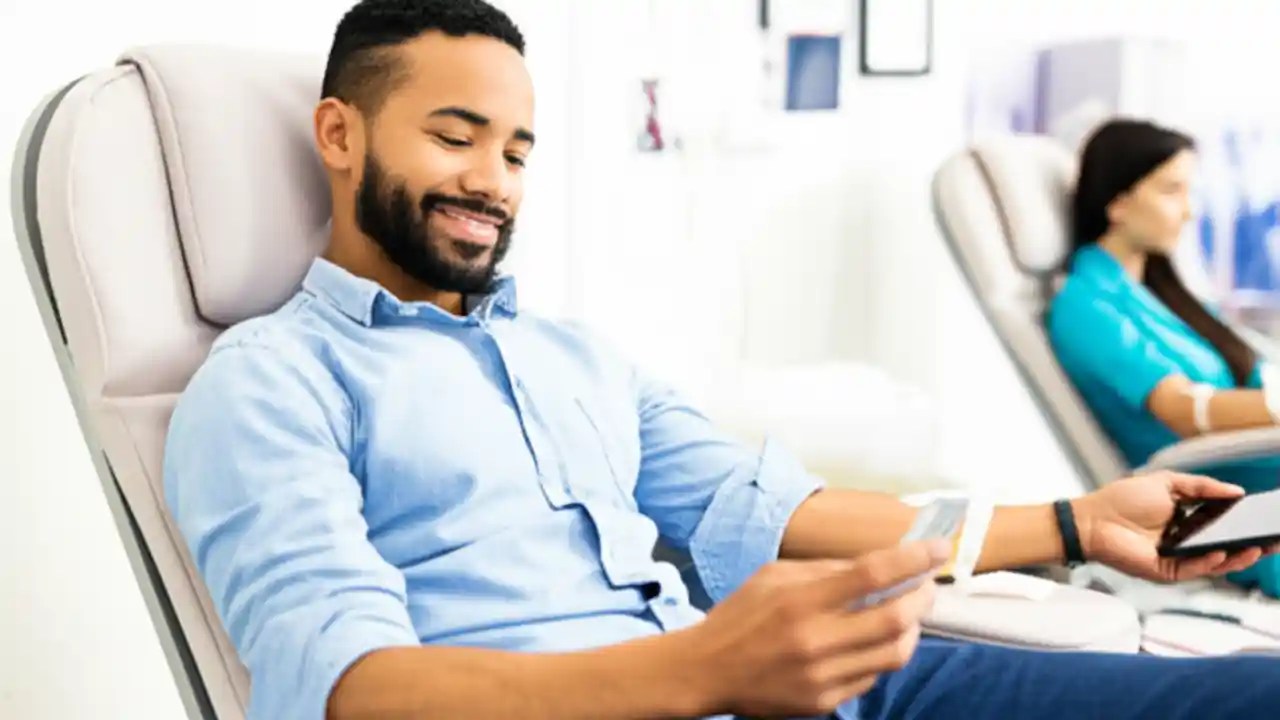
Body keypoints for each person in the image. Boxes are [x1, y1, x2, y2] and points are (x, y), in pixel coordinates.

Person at [162, 3, 1280, 718]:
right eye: (454, 137)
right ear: (339, 135)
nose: (492, 180)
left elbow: (775, 507)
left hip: (813, 691)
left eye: (514, 150)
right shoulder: (268, 383)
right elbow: (349, 690)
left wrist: (1078, 524)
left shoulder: (572, 357)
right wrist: (697, 671)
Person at [1049, 118, 1280, 598]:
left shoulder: (1165, 296)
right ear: (1118, 201)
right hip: (1230, 511)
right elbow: (1184, 412)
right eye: (1172, 190)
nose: (1189, 212)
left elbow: (1251, 375)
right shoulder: (1087, 306)